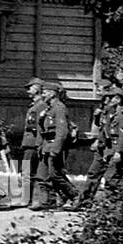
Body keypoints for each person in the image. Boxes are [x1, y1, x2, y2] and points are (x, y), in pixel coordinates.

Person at [39, 80, 77, 208]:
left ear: (53, 94)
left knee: (55, 174)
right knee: (52, 174)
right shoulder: (50, 109)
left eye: (45, 92)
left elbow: (62, 130)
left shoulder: (59, 108)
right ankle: (63, 198)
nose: (43, 95)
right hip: (48, 144)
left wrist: (56, 148)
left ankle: (74, 195)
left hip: (56, 145)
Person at [21, 77, 49, 208]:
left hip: (33, 143)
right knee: (29, 172)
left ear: (37, 89)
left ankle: (30, 199)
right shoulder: (35, 105)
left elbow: (36, 126)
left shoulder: (40, 106)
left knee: (29, 172)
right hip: (30, 142)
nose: (28, 91)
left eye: (30, 88)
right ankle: (28, 199)